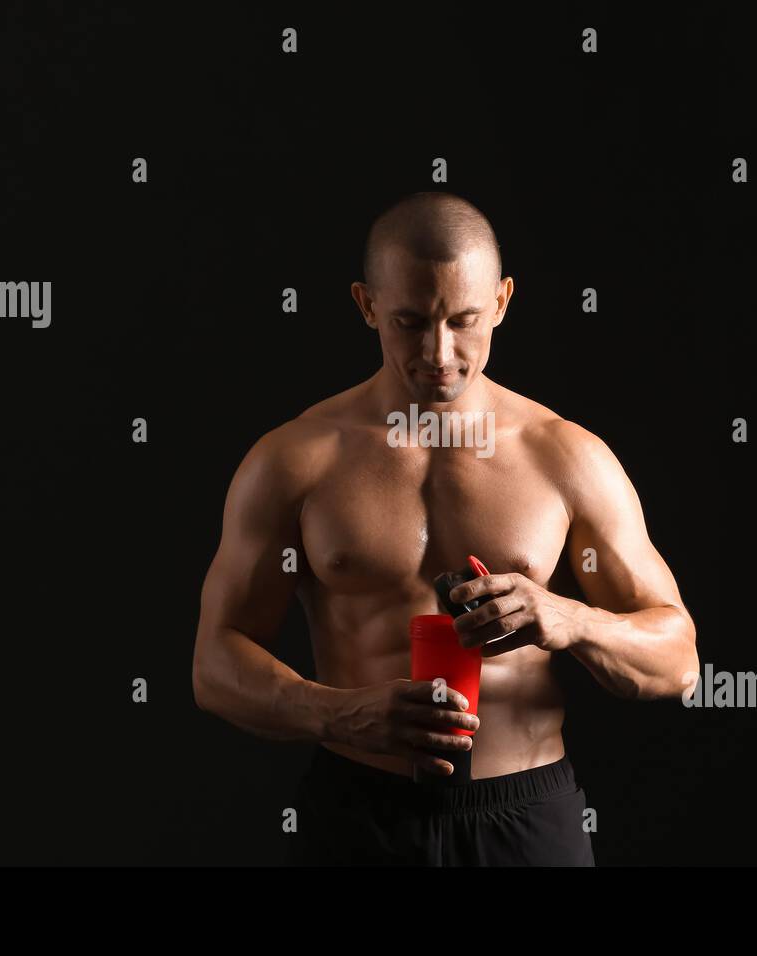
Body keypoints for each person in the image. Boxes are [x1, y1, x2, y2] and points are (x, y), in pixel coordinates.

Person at [191, 190, 698, 865]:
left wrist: (568, 618)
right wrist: (333, 712)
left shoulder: (565, 456)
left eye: (464, 320)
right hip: (358, 815)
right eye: (409, 321)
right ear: (367, 305)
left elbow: (680, 661)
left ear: (503, 302)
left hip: (523, 815)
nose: (439, 351)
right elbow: (214, 664)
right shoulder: (294, 460)